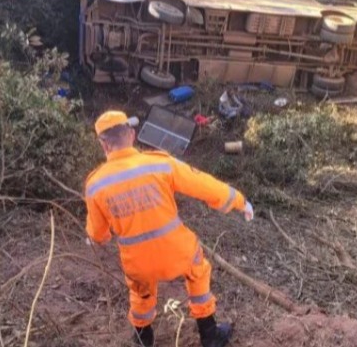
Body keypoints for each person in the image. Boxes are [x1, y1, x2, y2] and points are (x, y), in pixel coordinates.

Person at [84, 110, 254, 347]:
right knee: (198, 270)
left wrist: (94, 238)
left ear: (104, 144)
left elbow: (98, 234)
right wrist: (239, 201)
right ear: (132, 135)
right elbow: (204, 185)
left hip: (138, 263)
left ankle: (144, 338)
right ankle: (209, 333)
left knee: (140, 292)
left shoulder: (95, 184)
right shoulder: (160, 164)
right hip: (177, 253)